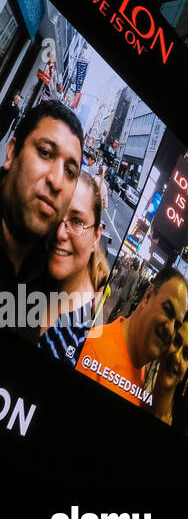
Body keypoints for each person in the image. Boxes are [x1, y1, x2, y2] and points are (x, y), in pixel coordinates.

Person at [0, 100, 83, 342]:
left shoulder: (55, 278)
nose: (57, 182)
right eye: (45, 153)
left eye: (70, 172)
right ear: (12, 152)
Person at [75, 266, 188, 407]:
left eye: (177, 325)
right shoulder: (92, 353)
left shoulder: (139, 364)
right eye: (167, 310)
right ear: (147, 296)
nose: (170, 329)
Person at [38, 171, 109, 363]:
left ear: (96, 235)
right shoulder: (23, 274)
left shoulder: (87, 339)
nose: (60, 233)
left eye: (77, 221)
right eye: (57, 213)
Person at [147, 310, 188, 427]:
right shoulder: (133, 392)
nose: (177, 357)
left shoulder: (186, 427)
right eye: (176, 342)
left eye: (185, 355)